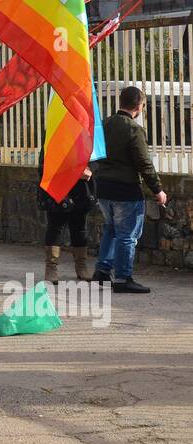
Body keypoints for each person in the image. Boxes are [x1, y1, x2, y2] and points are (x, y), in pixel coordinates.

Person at [91, 86, 167, 294]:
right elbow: (144, 163)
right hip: (125, 189)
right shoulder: (133, 129)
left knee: (111, 229)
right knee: (127, 235)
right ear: (139, 105)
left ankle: (102, 272)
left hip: (103, 187)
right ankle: (123, 278)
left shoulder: (104, 124)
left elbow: (93, 152)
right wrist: (158, 189)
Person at [37, 160, 95, 283]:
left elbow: (96, 159)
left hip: (80, 189)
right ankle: (51, 269)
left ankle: (81, 267)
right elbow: (44, 166)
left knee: (79, 228)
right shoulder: (52, 141)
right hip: (58, 187)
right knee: (55, 228)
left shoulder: (84, 140)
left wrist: (91, 170)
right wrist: (74, 172)